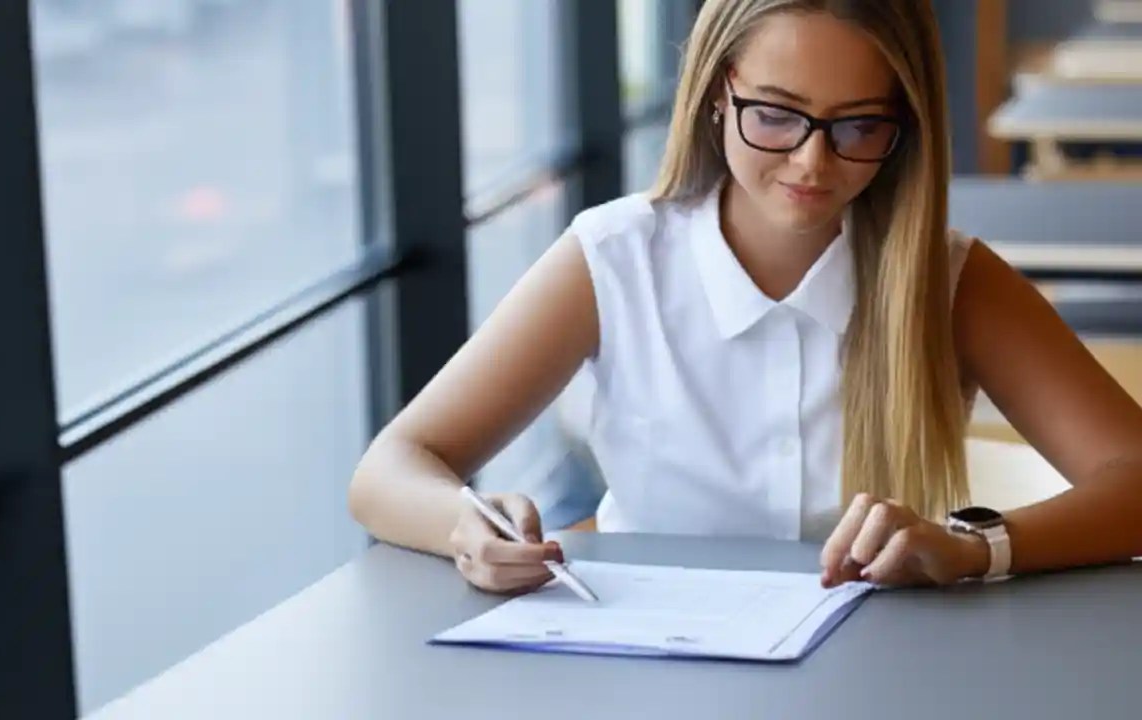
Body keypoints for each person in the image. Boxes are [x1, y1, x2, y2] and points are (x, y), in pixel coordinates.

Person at [348, 0, 1142, 594]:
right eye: (775, 115)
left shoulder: (949, 280)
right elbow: (390, 467)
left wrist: (977, 547)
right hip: (646, 667)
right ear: (717, 92)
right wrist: (467, 529)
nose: (810, 162)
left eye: (859, 127)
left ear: (905, 126)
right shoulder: (614, 258)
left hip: (879, 672)